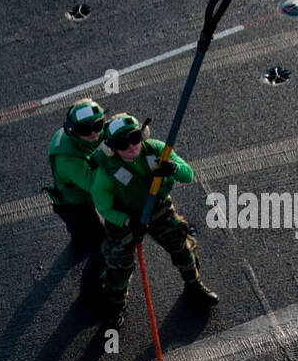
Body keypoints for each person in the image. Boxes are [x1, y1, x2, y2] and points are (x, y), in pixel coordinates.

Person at [89, 113, 217, 328]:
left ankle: (193, 284)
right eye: (122, 143)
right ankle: (115, 306)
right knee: (118, 265)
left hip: (157, 207)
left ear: (143, 134)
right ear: (111, 148)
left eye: (135, 137)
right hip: (125, 217)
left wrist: (173, 169)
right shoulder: (105, 173)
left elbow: (188, 175)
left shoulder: (158, 150)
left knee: (183, 247)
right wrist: (128, 221)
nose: (131, 146)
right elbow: (104, 207)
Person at [45, 98, 106, 260]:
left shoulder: (81, 134)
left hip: (78, 196)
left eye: (98, 126)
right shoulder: (67, 158)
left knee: (79, 234)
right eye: (86, 130)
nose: (94, 133)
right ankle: (93, 282)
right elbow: (94, 184)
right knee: (101, 245)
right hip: (74, 205)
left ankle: (78, 243)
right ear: (73, 130)